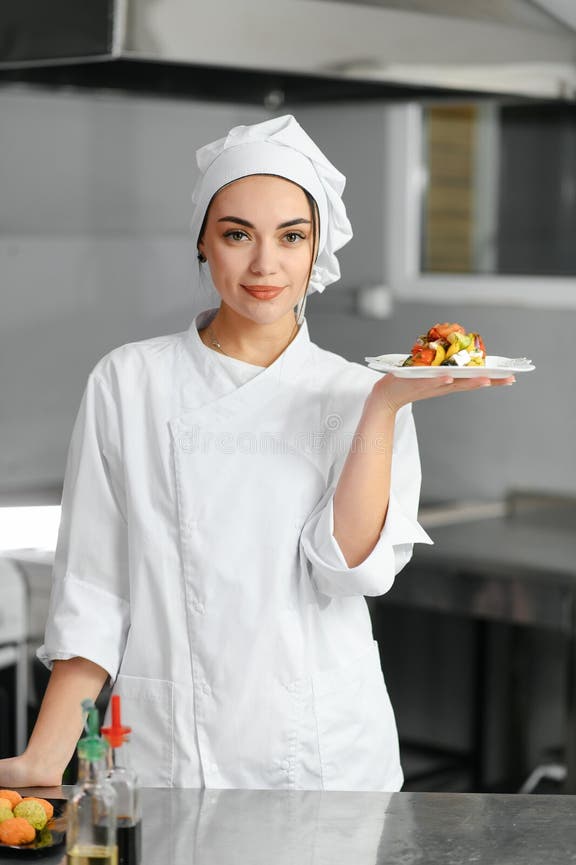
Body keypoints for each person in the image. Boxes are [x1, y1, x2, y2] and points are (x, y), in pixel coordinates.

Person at [0, 115, 514, 792]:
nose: (265, 264)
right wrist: (45, 758)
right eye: (237, 234)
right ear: (203, 242)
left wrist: (383, 408)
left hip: (326, 759)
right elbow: (95, 589)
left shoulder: (366, 392)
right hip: (176, 752)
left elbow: (352, 573)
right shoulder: (129, 382)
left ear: (316, 249)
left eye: (291, 236)